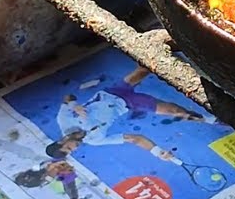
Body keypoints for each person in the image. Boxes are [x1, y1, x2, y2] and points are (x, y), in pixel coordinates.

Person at [45, 64, 215, 160]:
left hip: (112, 92)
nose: (74, 148)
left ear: (62, 141)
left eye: (68, 148)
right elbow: (135, 139)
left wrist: (74, 105)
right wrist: (157, 152)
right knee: (175, 111)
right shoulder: (96, 140)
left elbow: (67, 96)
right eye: (71, 151)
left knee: (144, 69)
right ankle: (209, 120)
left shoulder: (63, 120)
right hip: (127, 104)